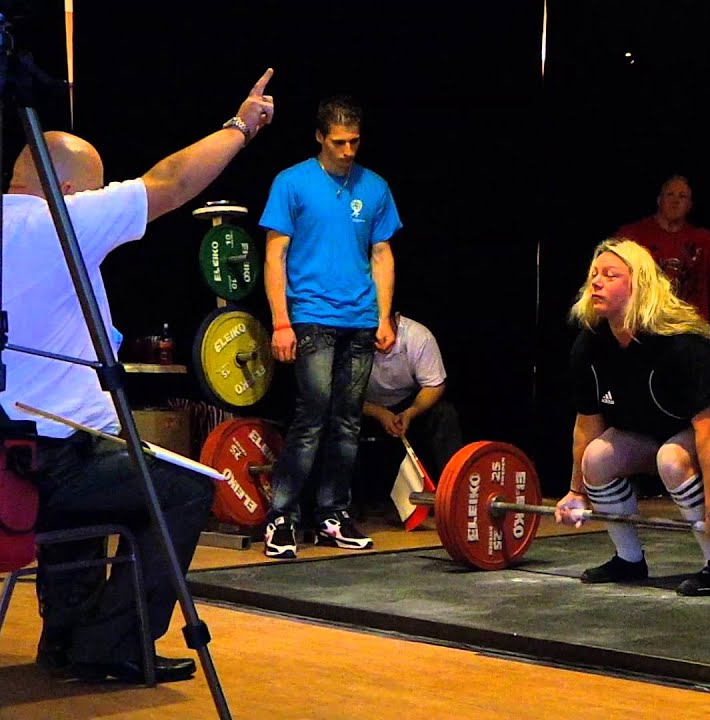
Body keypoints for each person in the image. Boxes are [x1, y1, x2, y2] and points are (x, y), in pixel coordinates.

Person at [0, 70, 275, 683]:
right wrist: (241, 126)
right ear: (67, 190)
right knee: (185, 486)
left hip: (16, 464)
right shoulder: (56, 224)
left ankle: (67, 637)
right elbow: (170, 183)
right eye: (90, 194)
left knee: (100, 454)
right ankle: (113, 643)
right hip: (48, 462)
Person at [553, 239, 710, 597]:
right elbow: (587, 425)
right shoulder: (589, 345)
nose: (596, 282)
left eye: (610, 275)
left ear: (639, 286)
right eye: (594, 275)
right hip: (661, 426)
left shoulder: (682, 344)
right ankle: (629, 560)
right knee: (597, 458)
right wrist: (575, 492)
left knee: (672, 459)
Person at [261, 94, 402, 559]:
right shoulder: (292, 182)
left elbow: (382, 254)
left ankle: (333, 516)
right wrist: (281, 321)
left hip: (360, 318)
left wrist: (383, 315)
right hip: (311, 317)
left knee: (346, 423)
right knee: (311, 415)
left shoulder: (375, 186)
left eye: (354, 142)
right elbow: (275, 254)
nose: (348, 151)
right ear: (320, 137)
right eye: (339, 142)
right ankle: (281, 517)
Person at [359, 312, 463, 502]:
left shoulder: (418, 336)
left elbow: (434, 384)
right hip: (363, 406)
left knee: (444, 414)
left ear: (396, 318)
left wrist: (411, 413)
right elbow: (339, 394)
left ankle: (452, 496)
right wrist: (379, 413)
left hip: (407, 403)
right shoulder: (352, 338)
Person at [615, 175, 710, 321]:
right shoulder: (632, 235)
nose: (675, 201)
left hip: (689, 330)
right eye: (670, 195)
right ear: (659, 200)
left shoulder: (702, 240)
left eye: (682, 196)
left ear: (689, 205)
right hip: (645, 326)